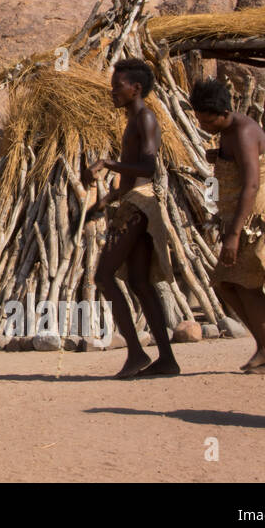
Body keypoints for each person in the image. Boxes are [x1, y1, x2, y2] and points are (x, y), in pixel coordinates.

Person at [190, 78, 265, 375]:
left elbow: (252, 185)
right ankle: (264, 348)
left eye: (205, 119)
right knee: (227, 284)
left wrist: (231, 235)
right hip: (246, 219)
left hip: (263, 217)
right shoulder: (229, 132)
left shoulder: (242, 132)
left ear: (221, 112)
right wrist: (219, 157)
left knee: (246, 285)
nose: (202, 124)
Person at [86, 59, 180, 379]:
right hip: (131, 201)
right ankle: (166, 359)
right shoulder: (133, 119)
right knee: (139, 282)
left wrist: (107, 163)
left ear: (136, 88)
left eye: (117, 86)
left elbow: (149, 168)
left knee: (103, 275)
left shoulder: (145, 118)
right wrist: (107, 200)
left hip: (139, 205)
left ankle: (138, 353)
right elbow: (134, 175)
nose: (113, 91)